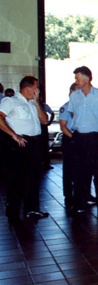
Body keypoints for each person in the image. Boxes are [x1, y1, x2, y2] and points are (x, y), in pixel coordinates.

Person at [0, 74, 49, 223]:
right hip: (19, 144)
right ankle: (13, 213)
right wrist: (13, 135)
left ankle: (31, 210)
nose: (38, 90)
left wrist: (37, 103)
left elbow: (45, 121)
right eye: (36, 88)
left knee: (34, 177)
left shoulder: (33, 103)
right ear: (28, 88)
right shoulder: (11, 101)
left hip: (35, 143)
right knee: (17, 179)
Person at [68, 65, 98, 214]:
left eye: (77, 78)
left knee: (97, 171)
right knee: (79, 171)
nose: (76, 81)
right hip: (79, 137)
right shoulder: (74, 96)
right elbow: (73, 114)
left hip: (95, 137)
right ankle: (79, 203)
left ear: (86, 78)